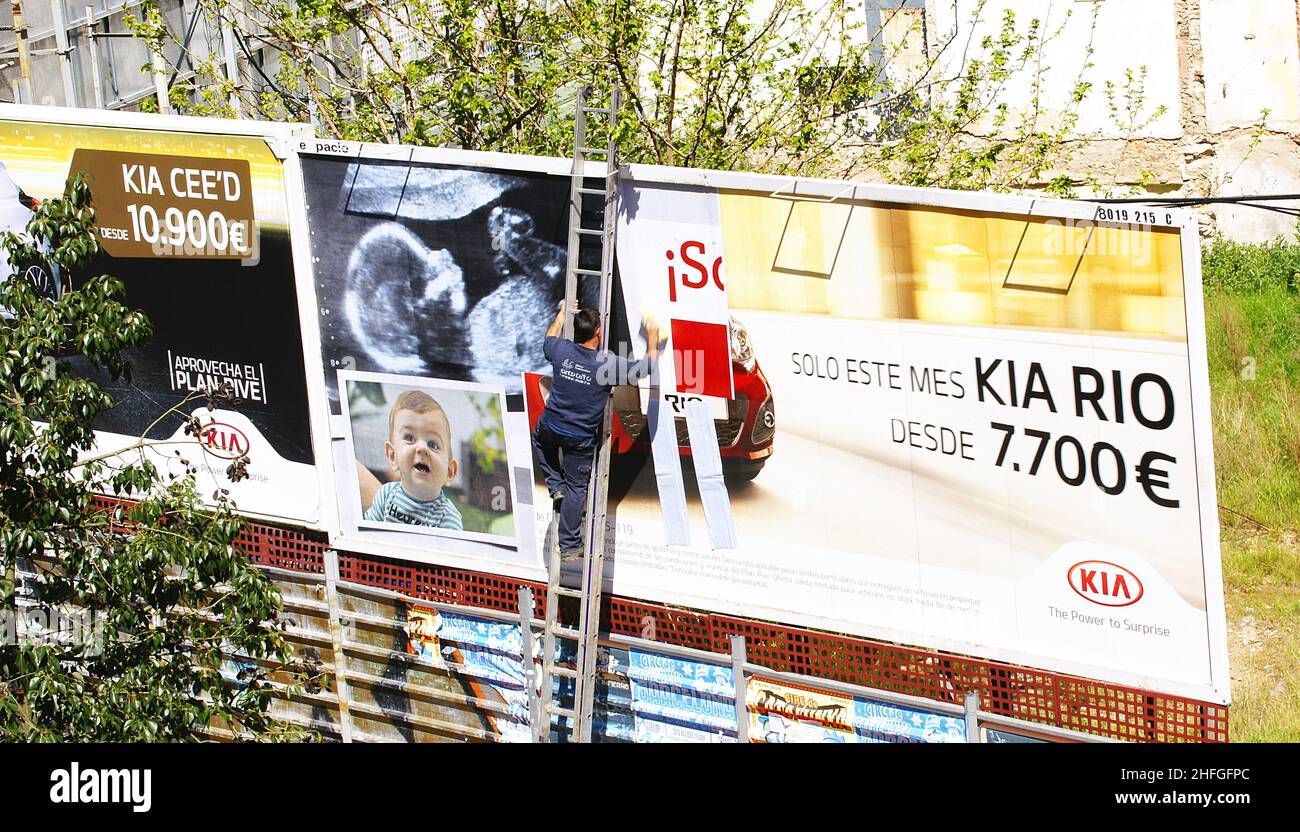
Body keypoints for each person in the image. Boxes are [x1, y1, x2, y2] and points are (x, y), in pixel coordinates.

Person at [533, 304, 661, 559]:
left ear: (576, 331)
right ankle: (568, 545)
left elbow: (548, 338)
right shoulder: (606, 364)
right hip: (579, 438)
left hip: (552, 426)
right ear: (598, 332)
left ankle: (555, 485)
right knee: (576, 488)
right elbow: (646, 369)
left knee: (539, 440)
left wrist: (560, 315)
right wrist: (653, 337)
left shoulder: (562, 350)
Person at [364, 389, 464, 530]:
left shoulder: (447, 519)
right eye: (410, 438)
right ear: (393, 456)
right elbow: (368, 536)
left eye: (433, 444)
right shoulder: (386, 495)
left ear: (449, 472)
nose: (422, 448)